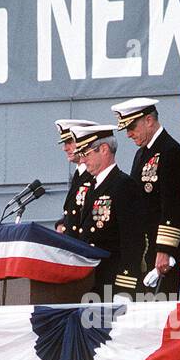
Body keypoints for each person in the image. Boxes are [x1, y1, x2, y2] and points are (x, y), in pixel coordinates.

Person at [112, 97, 180, 297]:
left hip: (162, 250)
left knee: (161, 304)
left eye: (132, 127)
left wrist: (165, 249)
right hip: (145, 247)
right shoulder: (142, 154)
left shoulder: (170, 151)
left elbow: (173, 205)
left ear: (149, 120)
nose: (129, 134)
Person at [71, 124, 143, 300]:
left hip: (114, 279)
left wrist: (125, 285)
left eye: (86, 154)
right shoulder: (92, 187)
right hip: (92, 278)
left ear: (104, 149)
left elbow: (133, 239)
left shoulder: (123, 185)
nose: (83, 160)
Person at [55, 118, 92, 237]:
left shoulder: (93, 175)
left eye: (69, 142)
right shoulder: (78, 174)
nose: (65, 148)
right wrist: (62, 224)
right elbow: (73, 208)